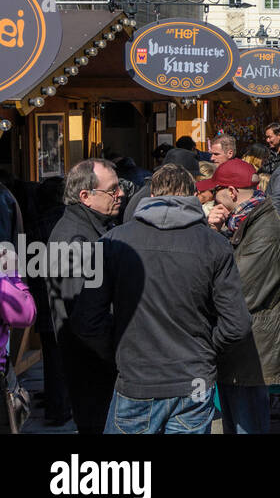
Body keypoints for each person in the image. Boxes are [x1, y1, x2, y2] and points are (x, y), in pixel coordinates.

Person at [72, 164, 251, 434]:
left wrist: (120, 352)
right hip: (191, 379)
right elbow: (237, 324)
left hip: (141, 377)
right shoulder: (215, 245)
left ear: (151, 196)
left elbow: (87, 318)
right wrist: (205, 349)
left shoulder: (111, 242)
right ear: (192, 196)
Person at [201, 159, 280, 434]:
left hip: (252, 352)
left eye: (216, 191)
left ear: (231, 193)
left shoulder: (265, 234)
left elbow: (236, 292)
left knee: (246, 426)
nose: (212, 198)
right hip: (241, 347)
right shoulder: (244, 224)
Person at [47, 159, 122, 434]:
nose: (121, 194)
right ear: (85, 196)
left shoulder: (93, 227)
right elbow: (82, 316)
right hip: (92, 367)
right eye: (112, 190)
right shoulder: (74, 238)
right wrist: (117, 357)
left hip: (96, 364)